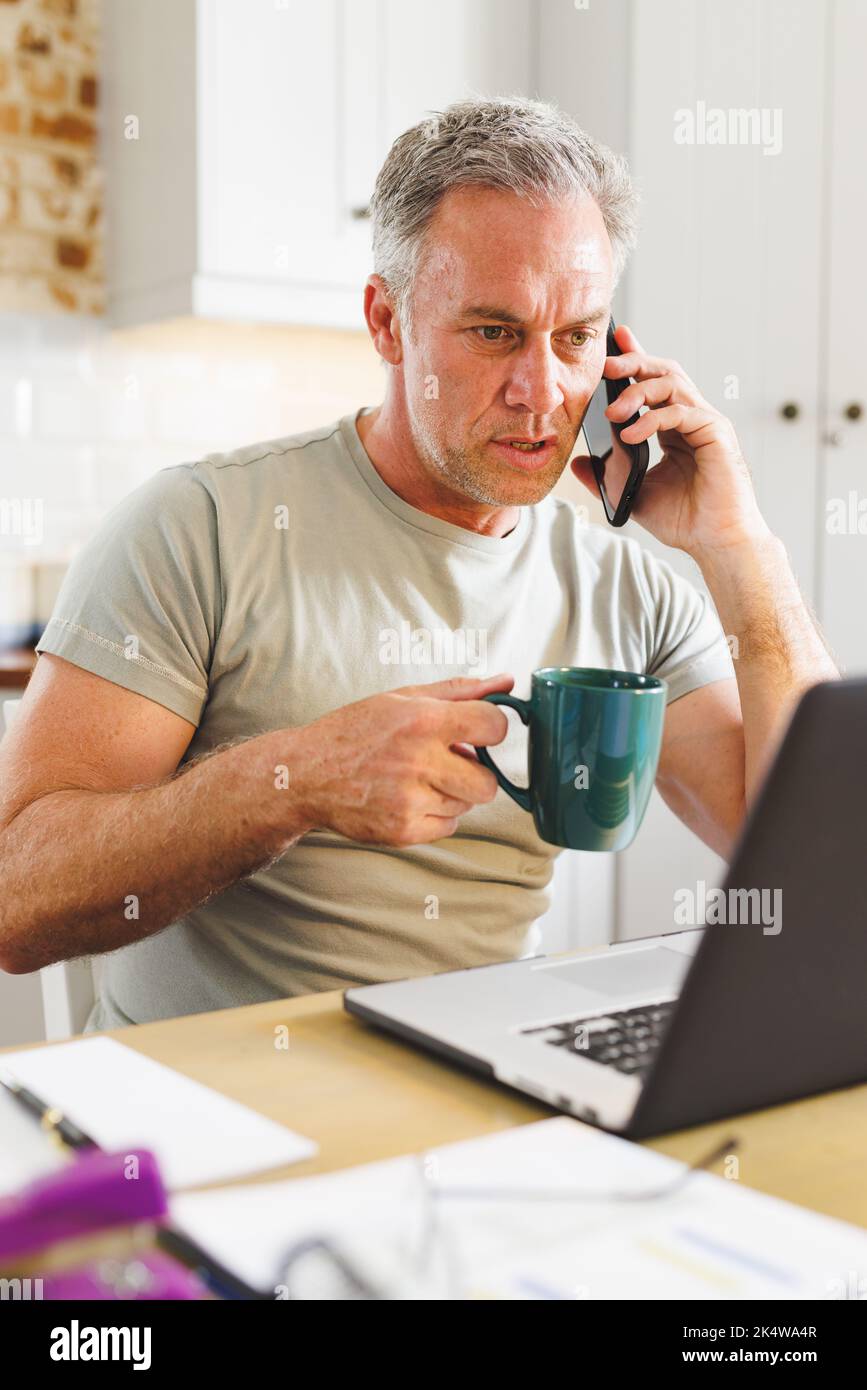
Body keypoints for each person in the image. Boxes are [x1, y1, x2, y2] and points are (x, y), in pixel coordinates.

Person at [0, 98, 837, 1029]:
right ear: (387, 321)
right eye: (493, 332)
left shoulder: (626, 588)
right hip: (213, 1121)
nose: (541, 391)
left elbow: (831, 874)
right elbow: (14, 904)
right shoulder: (196, 528)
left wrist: (742, 548)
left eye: (575, 338)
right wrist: (296, 779)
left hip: (486, 1096)